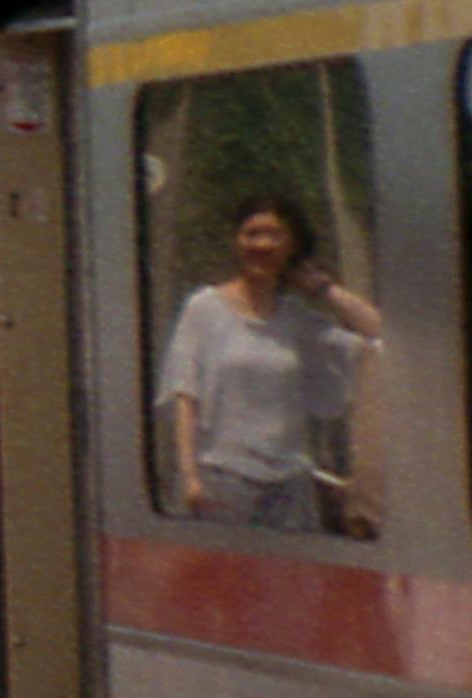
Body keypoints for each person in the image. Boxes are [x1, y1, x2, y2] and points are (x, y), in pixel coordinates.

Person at [157, 194, 379, 532]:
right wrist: (190, 478)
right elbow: (184, 394)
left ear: (292, 245)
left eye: (274, 235)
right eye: (252, 234)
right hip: (222, 478)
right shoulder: (203, 308)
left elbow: (377, 332)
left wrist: (321, 288)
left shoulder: (295, 318)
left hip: (291, 484)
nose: (261, 245)